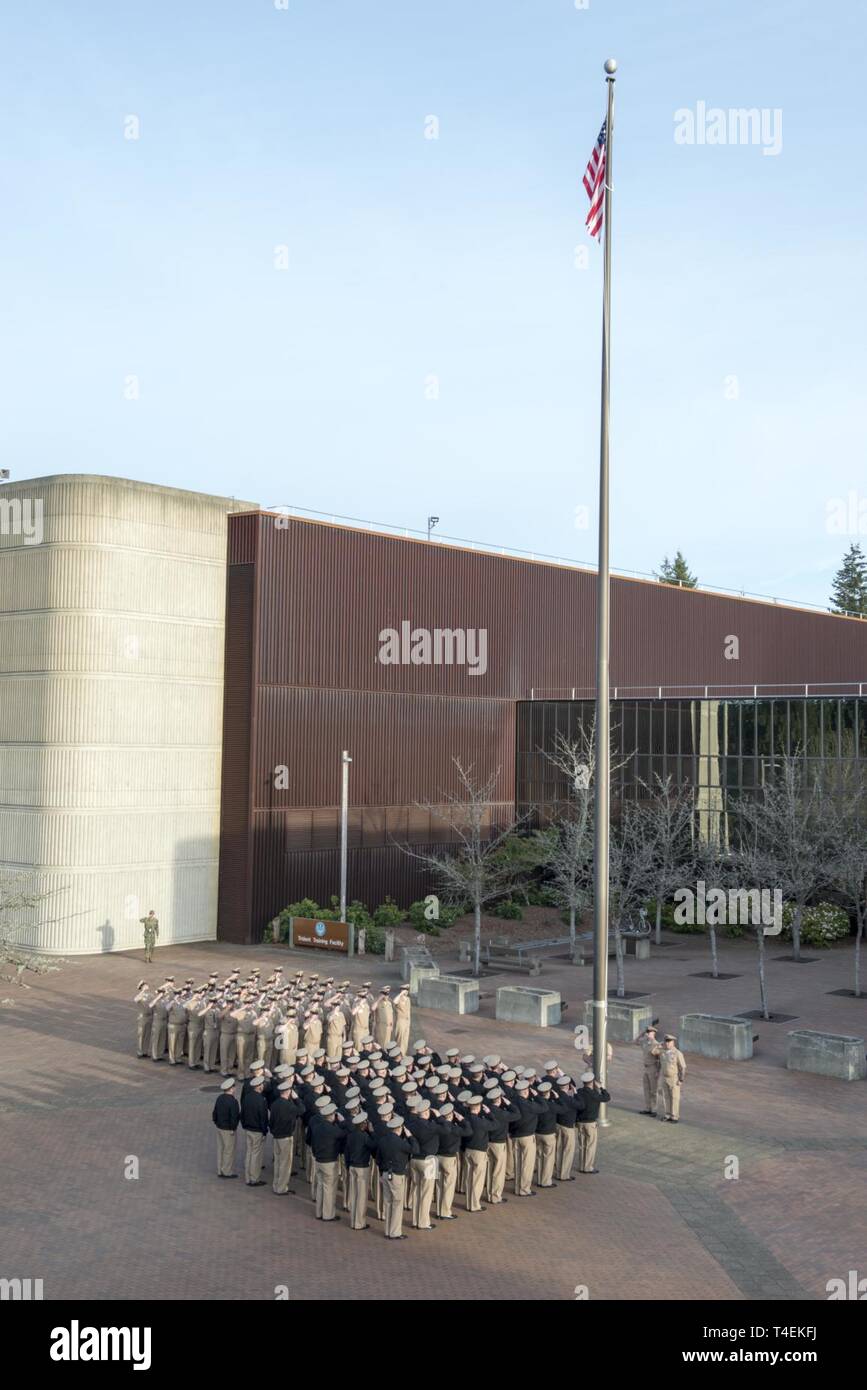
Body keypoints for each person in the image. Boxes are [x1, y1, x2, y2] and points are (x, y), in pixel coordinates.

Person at [308, 1102, 345, 1221]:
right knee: (329, 1188)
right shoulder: (333, 1129)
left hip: (318, 1160)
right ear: (331, 1115)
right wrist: (342, 1122)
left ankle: (319, 1212)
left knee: (320, 1187)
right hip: (329, 1162)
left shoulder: (317, 1127)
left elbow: (312, 1143)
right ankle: (328, 1214)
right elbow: (343, 1134)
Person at [344, 1113, 376, 1230]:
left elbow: (346, 1152)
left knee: (354, 1194)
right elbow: (374, 1145)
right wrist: (372, 1132)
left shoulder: (350, 1136)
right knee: (361, 1196)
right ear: (363, 1125)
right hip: (362, 1167)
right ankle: (359, 1223)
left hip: (352, 1166)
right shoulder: (364, 1136)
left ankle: (353, 1221)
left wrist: (347, 1166)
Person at [269, 1080, 300, 1195]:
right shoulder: (290, 1106)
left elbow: (271, 1121)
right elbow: (302, 1110)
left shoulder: (275, 1104)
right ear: (288, 1092)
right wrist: (296, 1099)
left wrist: (273, 1131)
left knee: (277, 1162)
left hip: (276, 1136)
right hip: (286, 1137)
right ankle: (282, 1188)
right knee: (285, 1164)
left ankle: (276, 1185)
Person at [575, 1071, 611, 1173]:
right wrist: (601, 1088)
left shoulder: (579, 1092)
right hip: (590, 1123)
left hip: (580, 1122)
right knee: (590, 1146)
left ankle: (582, 1166)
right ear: (592, 1082)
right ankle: (588, 1167)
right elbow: (607, 1097)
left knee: (582, 1145)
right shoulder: (594, 1094)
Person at [240, 1073, 269, 1186]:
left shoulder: (247, 1097)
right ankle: (254, 1178)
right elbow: (263, 1117)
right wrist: (264, 1131)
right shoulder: (261, 1100)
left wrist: (244, 1125)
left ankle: (248, 1177)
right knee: (255, 1155)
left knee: (249, 1153)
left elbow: (242, 1112)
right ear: (259, 1086)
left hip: (248, 1128)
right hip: (257, 1130)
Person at [212, 1077, 240, 1178]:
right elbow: (234, 1117)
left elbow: (214, 1113)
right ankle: (227, 1171)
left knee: (221, 1149)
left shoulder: (219, 1098)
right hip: (228, 1130)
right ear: (231, 1088)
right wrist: (233, 1128)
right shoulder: (233, 1102)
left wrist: (216, 1122)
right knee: (228, 1151)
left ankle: (220, 1169)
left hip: (219, 1127)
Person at [657, 1034, 686, 1122]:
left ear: (673, 1043)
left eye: (669, 1042)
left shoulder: (677, 1053)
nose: (667, 1044)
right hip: (664, 1077)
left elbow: (683, 1067)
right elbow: (659, 1062)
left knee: (674, 1097)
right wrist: (659, 1045)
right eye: (666, 1042)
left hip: (674, 1078)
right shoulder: (662, 1052)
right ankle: (667, 1114)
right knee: (666, 1097)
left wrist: (681, 1079)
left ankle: (674, 1116)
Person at [637, 1024, 661, 1115]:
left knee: (653, 1090)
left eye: (649, 1032)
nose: (647, 1034)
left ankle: (654, 1110)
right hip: (646, 1068)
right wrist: (642, 1033)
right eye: (647, 1032)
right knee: (646, 1089)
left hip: (653, 1068)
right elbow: (635, 1041)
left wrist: (658, 1071)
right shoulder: (645, 1042)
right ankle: (648, 1108)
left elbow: (659, 1060)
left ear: (653, 1033)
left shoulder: (657, 1045)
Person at [133, 981, 153, 1058]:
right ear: (142, 987)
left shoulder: (150, 995)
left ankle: (145, 1051)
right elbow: (135, 999)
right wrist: (142, 992)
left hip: (149, 1016)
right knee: (141, 1035)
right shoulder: (140, 995)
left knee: (147, 1034)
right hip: (143, 1017)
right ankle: (140, 1052)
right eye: (145, 985)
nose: (147, 986)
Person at [393, 986, 412, 1054]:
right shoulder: (399, 999)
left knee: (405, 1039)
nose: (406, 991)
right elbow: (394, 1002)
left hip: (407, 1021)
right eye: (405, 990)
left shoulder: (408, 999)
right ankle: (398, 1053)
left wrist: (409, 1022)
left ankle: (403, 1054)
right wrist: (401, 994)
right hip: (400, 1020)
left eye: (407, 990)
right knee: (400, 1038)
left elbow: (408, 1011)